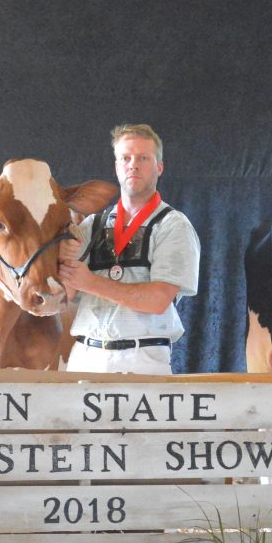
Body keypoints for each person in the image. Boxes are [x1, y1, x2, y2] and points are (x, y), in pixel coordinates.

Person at [58, 123, 201, 375]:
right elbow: (63, 296)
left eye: (143, 158)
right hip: (85, 356)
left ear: (159, 167)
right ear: (116, 167)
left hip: (141, 359)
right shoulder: (91, 226)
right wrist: (62, 260)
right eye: (125, 158)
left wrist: (89, 281)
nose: (133, 165)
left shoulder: (173, 225)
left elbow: (158, 300)